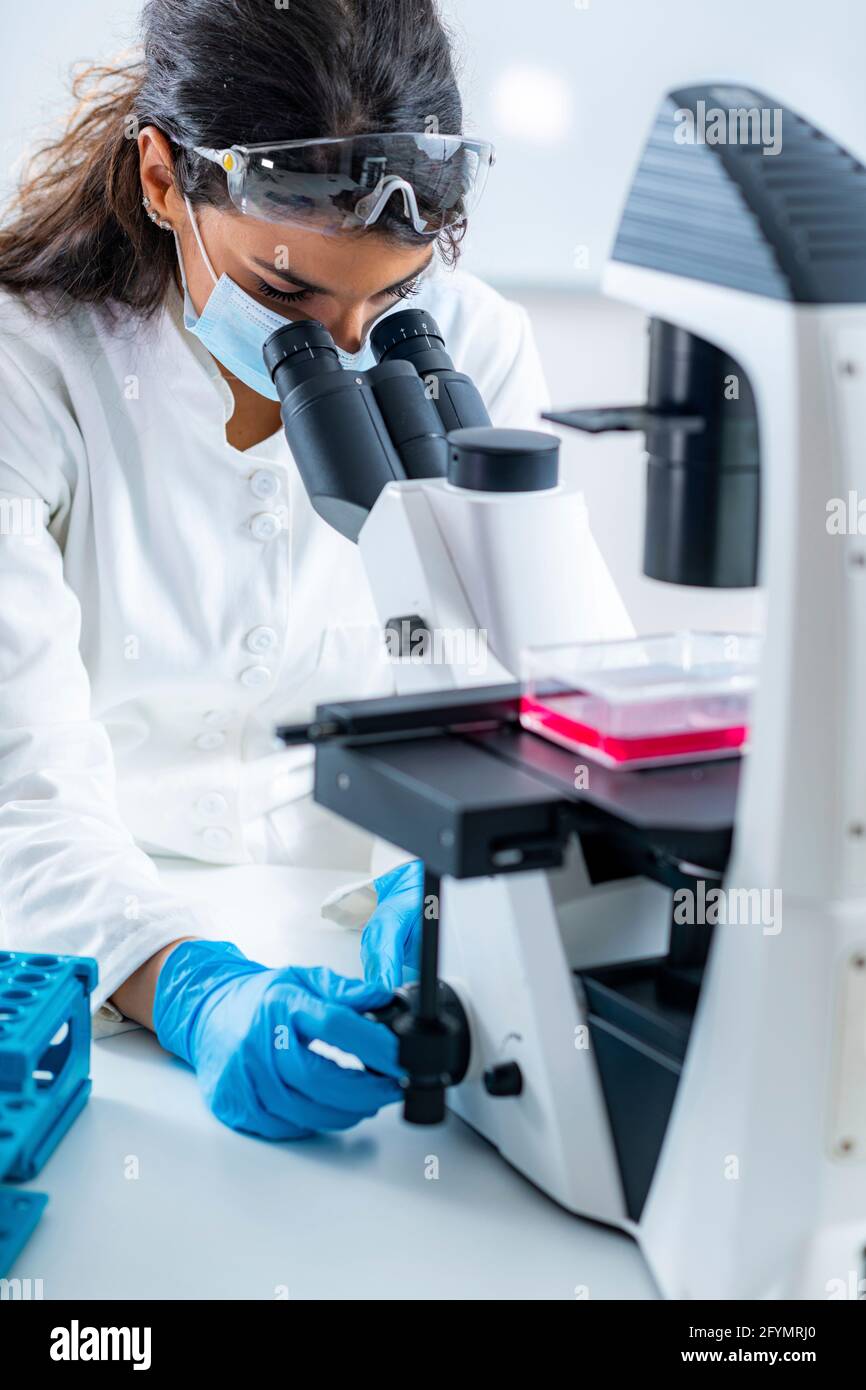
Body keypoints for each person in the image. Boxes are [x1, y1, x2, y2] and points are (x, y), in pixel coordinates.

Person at [0, 0, 549, 1140]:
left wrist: (440, 889)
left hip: (369, 949)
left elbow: (508, 699)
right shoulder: (30, 367)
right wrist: (195, 990)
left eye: (390, 301)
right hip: (88, 968)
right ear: (162, 178)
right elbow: (18, 790)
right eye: (289, 298)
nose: (346, 347)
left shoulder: (476, 342)